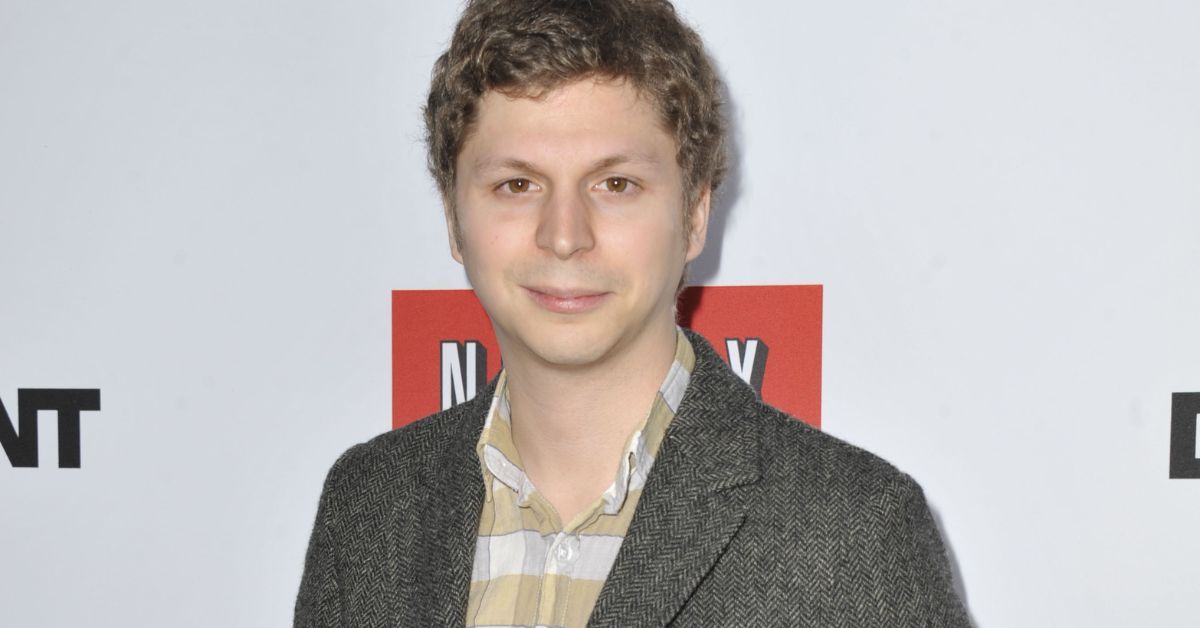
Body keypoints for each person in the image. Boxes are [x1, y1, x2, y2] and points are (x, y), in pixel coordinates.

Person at [295, 1, 971, 626]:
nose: (565, 235)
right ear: (453, 219)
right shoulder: (369, 509)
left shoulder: (854, 532)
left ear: (695, 216)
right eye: (517, 184)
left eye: (615, 184)